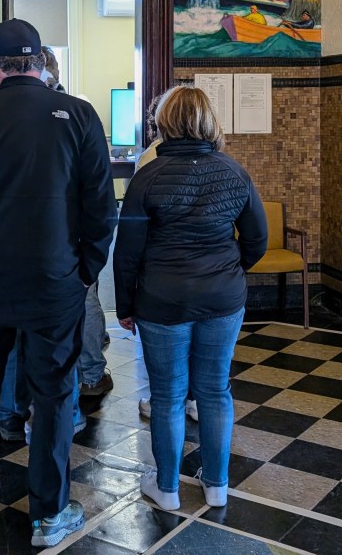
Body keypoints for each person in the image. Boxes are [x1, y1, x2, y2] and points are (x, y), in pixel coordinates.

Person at [0, 19, 117, 549]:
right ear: (41, 60)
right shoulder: (78, 116)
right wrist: (85, 269)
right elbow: (101, 209)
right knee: (56, 393)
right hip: (54, 281)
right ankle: (49, 514)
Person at [114, 86, 267, 513]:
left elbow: (126, 252)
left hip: (162, 300)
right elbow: (257, 239)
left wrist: (125, 306)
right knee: (215, 392)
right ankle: (217, 484)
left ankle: (166, 488)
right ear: (208, 120)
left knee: (167, 395)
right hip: (222, 299)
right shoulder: (234, 171)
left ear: (164, 123)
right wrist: (229, 269)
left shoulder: (147, 175)